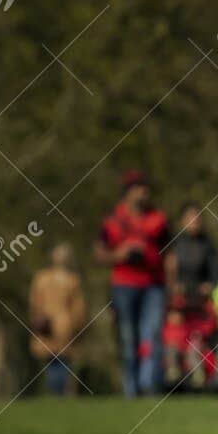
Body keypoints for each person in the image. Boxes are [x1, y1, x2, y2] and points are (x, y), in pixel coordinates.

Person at [96, 169, 169, 396]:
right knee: (128, 337)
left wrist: (173, 285)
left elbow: (171, 254)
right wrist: (120, 255)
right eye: (138, 188)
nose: (144, 192)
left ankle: (148, 383)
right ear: (127, 192)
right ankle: (131, 388)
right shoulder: (113, 221)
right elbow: (98, 254)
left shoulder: (159, 220)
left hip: (154, 285)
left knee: (153, 333)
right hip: (124, 285)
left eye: (145, 187)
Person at [164, 203, 218, 390]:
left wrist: (210, 287)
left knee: (196, 345)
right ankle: (172, 374)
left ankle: (200, 378)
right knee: (174, 340)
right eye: (190, 218)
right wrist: (172, 287)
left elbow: (216, 273)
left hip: (200, 303)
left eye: (197, 218)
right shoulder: (174, 244)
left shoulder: (209, 245)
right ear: (183, 221)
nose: (194, 222)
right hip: (179, 303)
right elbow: (168, 271)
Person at [28, 246, 86, 396]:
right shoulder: (73, 280)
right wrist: (78, 326)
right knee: (62, 361)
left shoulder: (41, 278)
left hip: (46, 324)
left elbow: (35, 303)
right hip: (64, 325)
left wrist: (37, 319)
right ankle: (59, 392)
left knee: (52, 361)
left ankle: (56, 392)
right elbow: (78, 309)